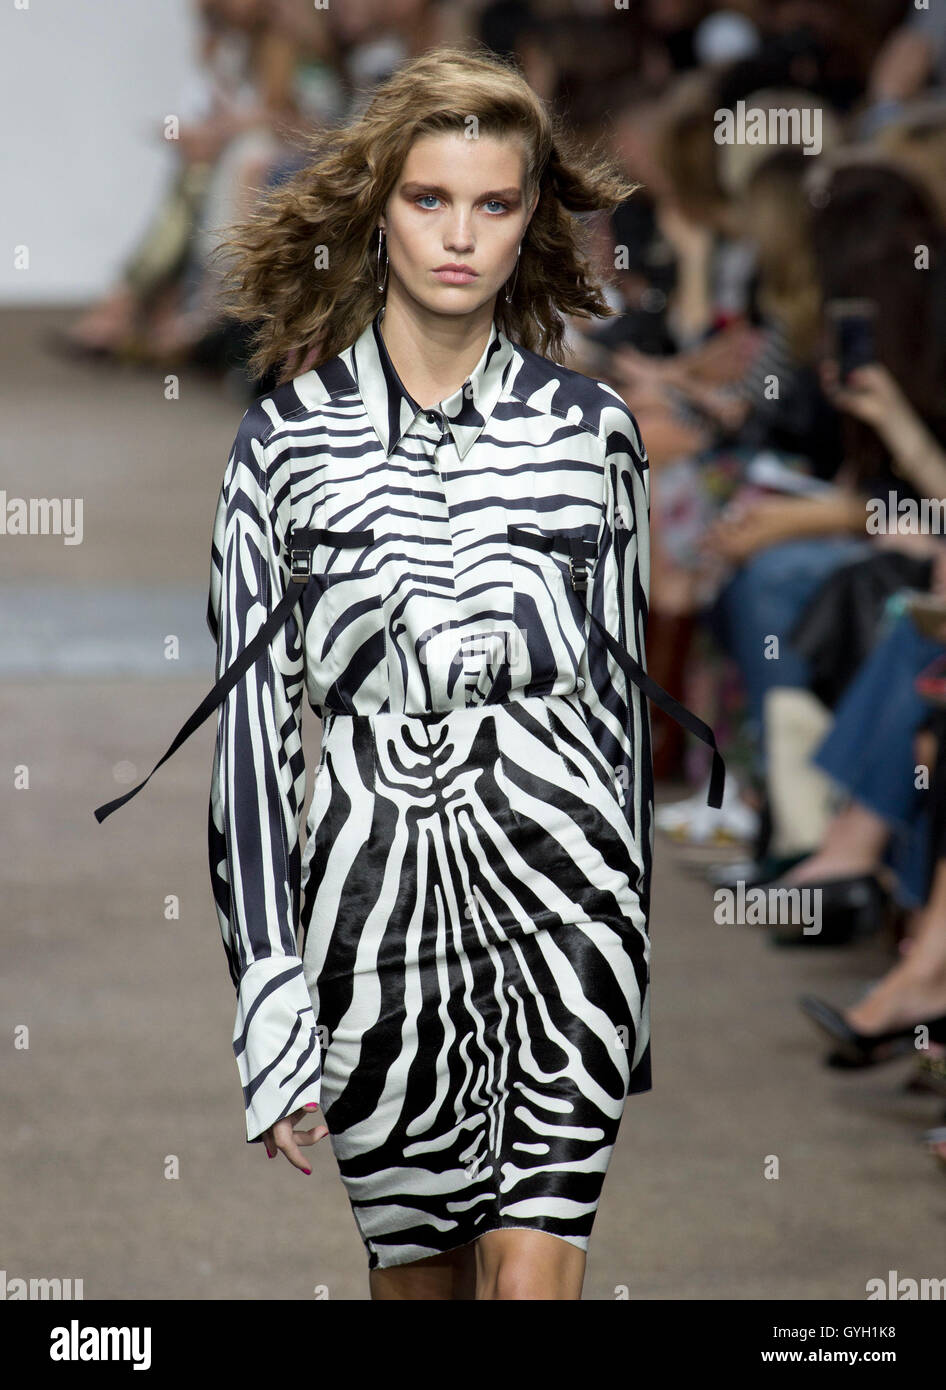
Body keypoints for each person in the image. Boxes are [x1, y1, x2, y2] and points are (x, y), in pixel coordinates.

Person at [94, 44, 723, 1300]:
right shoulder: (282, 447)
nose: (460, 237)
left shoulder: (591, 437)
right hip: (372, 925)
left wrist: (631, 961)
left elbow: (612, 718)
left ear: (530, 219)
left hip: (566, 909)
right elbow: (258, 757)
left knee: (534, 1280)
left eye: (494, 205)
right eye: (430, 199)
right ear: (379, 209)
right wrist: (270, 994)